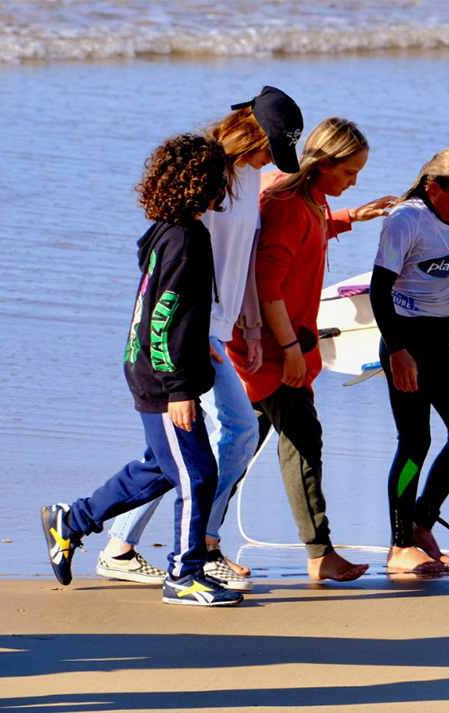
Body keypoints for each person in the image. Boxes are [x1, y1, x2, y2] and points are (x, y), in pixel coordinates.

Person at [97, 87, 304, 592]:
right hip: (196, 331)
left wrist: (249, 324)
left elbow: (244, 256)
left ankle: (114, 541)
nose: (267, 161)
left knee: (174, 455)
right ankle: (201, 550)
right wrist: (201, 336)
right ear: (249, 133)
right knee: (235, 432)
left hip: (222, 323)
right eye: (266, 149)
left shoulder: (250, 174)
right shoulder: (204, 180)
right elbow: (172, 267)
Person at [41, 133, 243, 607]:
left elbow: (170, 309)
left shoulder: (166, 230)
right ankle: (184, 575)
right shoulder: (187, 239)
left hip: (154, 364)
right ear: (206, 185)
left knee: (161, 467)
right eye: (222, 180)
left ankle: (70, 521)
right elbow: (164, 314)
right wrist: (178, 388)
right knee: (198, 475)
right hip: (162, 376)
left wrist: (199, 346)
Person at [225, 116, 395, 582]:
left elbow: (310, 230)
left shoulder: (305, 197)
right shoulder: (288, 203)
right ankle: (320, 552)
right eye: (348, 172)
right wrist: (290, 348)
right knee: (301, 438)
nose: (355, 180)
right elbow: (267, 281)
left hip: (279, 340)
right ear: (323, 163)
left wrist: (349, 216)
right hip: (272, 345)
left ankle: (203, 539)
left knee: (239, 445)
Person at [369, 146, 449, 575]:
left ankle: (422, 522)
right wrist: (399, 351)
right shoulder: (406, 220)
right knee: (414, 442)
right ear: (432, 186)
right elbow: (378, 290)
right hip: (404, 340)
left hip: (438, 341)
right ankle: (399, 545)